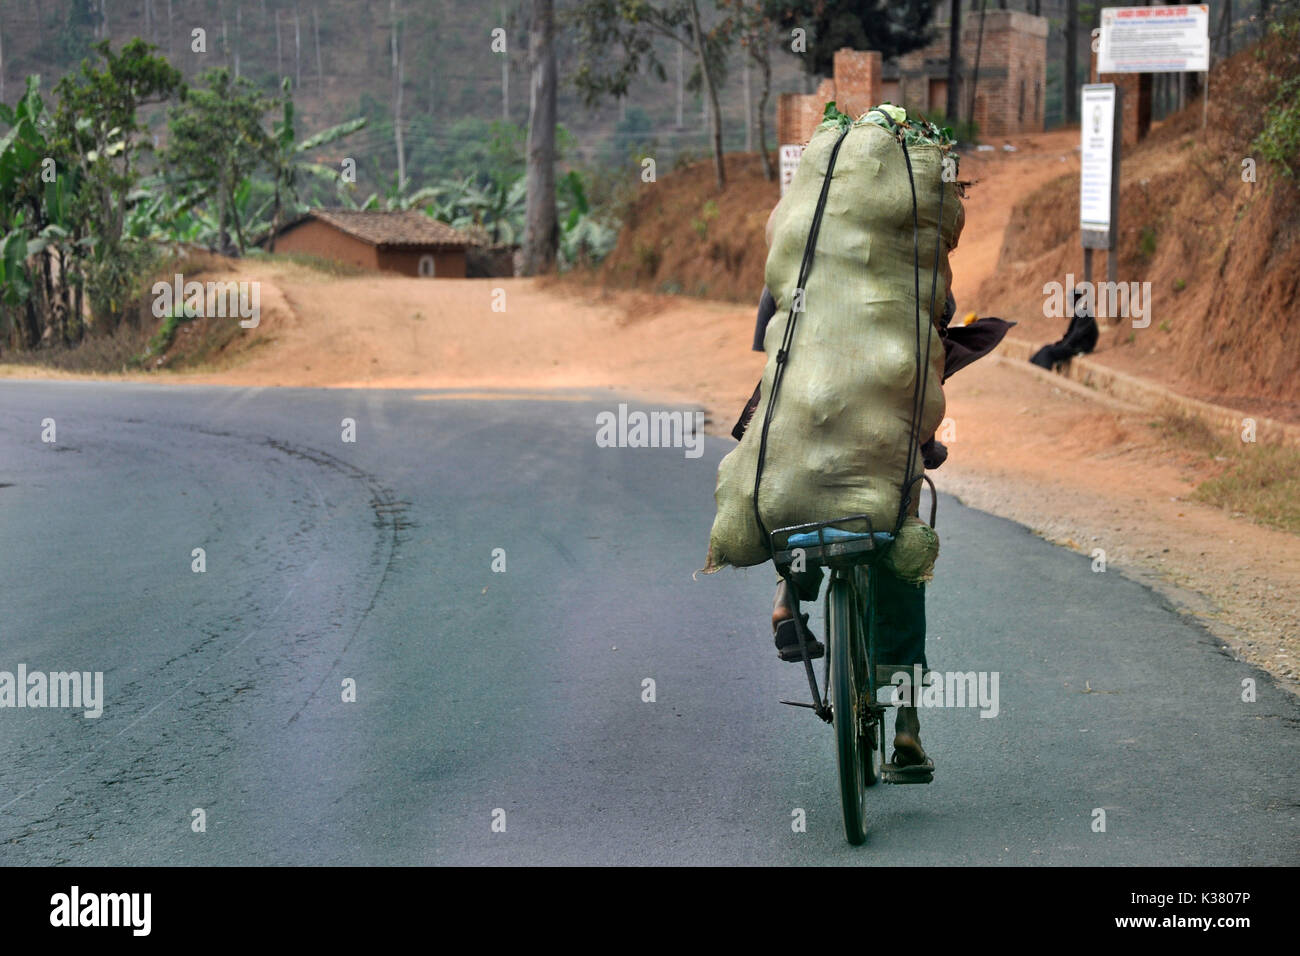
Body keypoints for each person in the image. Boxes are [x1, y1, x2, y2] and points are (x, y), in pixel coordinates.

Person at [732, 201, 1013, 768]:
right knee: (902, 549)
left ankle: (790, 598)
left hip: (811, 430)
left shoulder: (802, 259)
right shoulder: (913, 267)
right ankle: (906, 727)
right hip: (887, 445)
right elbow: (934, 339)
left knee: (796, 493)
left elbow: (767, 339)